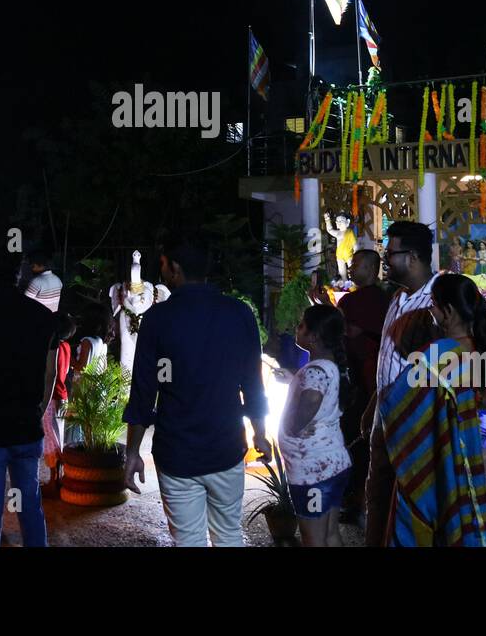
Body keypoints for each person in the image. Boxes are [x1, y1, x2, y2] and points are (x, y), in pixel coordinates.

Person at [123, 233, 269, 547]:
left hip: (177, 451)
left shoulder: (158, 320)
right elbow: (253, 384)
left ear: (174, 268)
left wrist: (132, 452)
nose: (161, 269)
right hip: (226, 447)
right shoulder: (238, 313)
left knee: (188, 540)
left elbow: (144, 393)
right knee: (229, 535)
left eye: (163, 263)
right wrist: (260, 434)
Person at [379, 272, 486, 546]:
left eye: (433, 306)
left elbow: (395, 403)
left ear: (448, 311)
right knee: (458, 515)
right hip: (461, 454)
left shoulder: (438, 355)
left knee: (421, 526)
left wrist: (381, 396)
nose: (431, 311)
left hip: (429, 458)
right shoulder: (475, 352)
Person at [0, 247, 61, 547]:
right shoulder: (42, 317)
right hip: (27, 426)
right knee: (28, 506)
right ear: (20, 276)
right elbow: (50, 374)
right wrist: (38, 411)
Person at [362, 220, 439, 547]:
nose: (385, 260)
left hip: (415, 427)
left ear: (414, 257)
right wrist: (373, 407)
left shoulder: (437, 303)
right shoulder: (396, 298)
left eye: (391, 253)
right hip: (385, 419)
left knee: (413, 504)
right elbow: (388, 359)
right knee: (377, 496)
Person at [275, 304, 352, 547]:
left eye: (301, 325)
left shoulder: (315, 371)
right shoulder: (330, 366)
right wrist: (293, 381)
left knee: (313, 540)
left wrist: (293, 425)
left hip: (313, 473)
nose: (297, 330)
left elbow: (312, 399)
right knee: (330, 534)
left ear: (314, 337)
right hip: (334, 465)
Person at [333, 249, 390, 523]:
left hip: (371, 381)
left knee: (359, 440)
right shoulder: (356, 300)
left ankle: (359, 498)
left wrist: (361, 333)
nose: (351, 269)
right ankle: (356, 497)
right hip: (356, 379)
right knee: (354, 439)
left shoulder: (382, 301)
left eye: (356, 264)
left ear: (371, 268)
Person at [65, 304, 111, 448]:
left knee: (80, 424)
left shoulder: (87, 341)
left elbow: (82, 367)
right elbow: (103, 368)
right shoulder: (102, 343)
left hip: (84, 388)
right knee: (91, 426)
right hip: (98, 387)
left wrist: (68, 357)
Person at [41, 311, 77, 489]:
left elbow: (51, 375)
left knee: (50, 438)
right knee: (58, 436)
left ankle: (53, 480)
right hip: (63, 395)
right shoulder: (67, 347)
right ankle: (59, 477)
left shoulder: (52, 347)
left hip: (52, 397)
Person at [23, 245, 63, 313]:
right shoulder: (58, 280)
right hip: (52, 317)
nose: (30, 268)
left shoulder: (36, 282)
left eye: (31, 265)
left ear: (36, 265)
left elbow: (25, 302)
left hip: (38, 318)